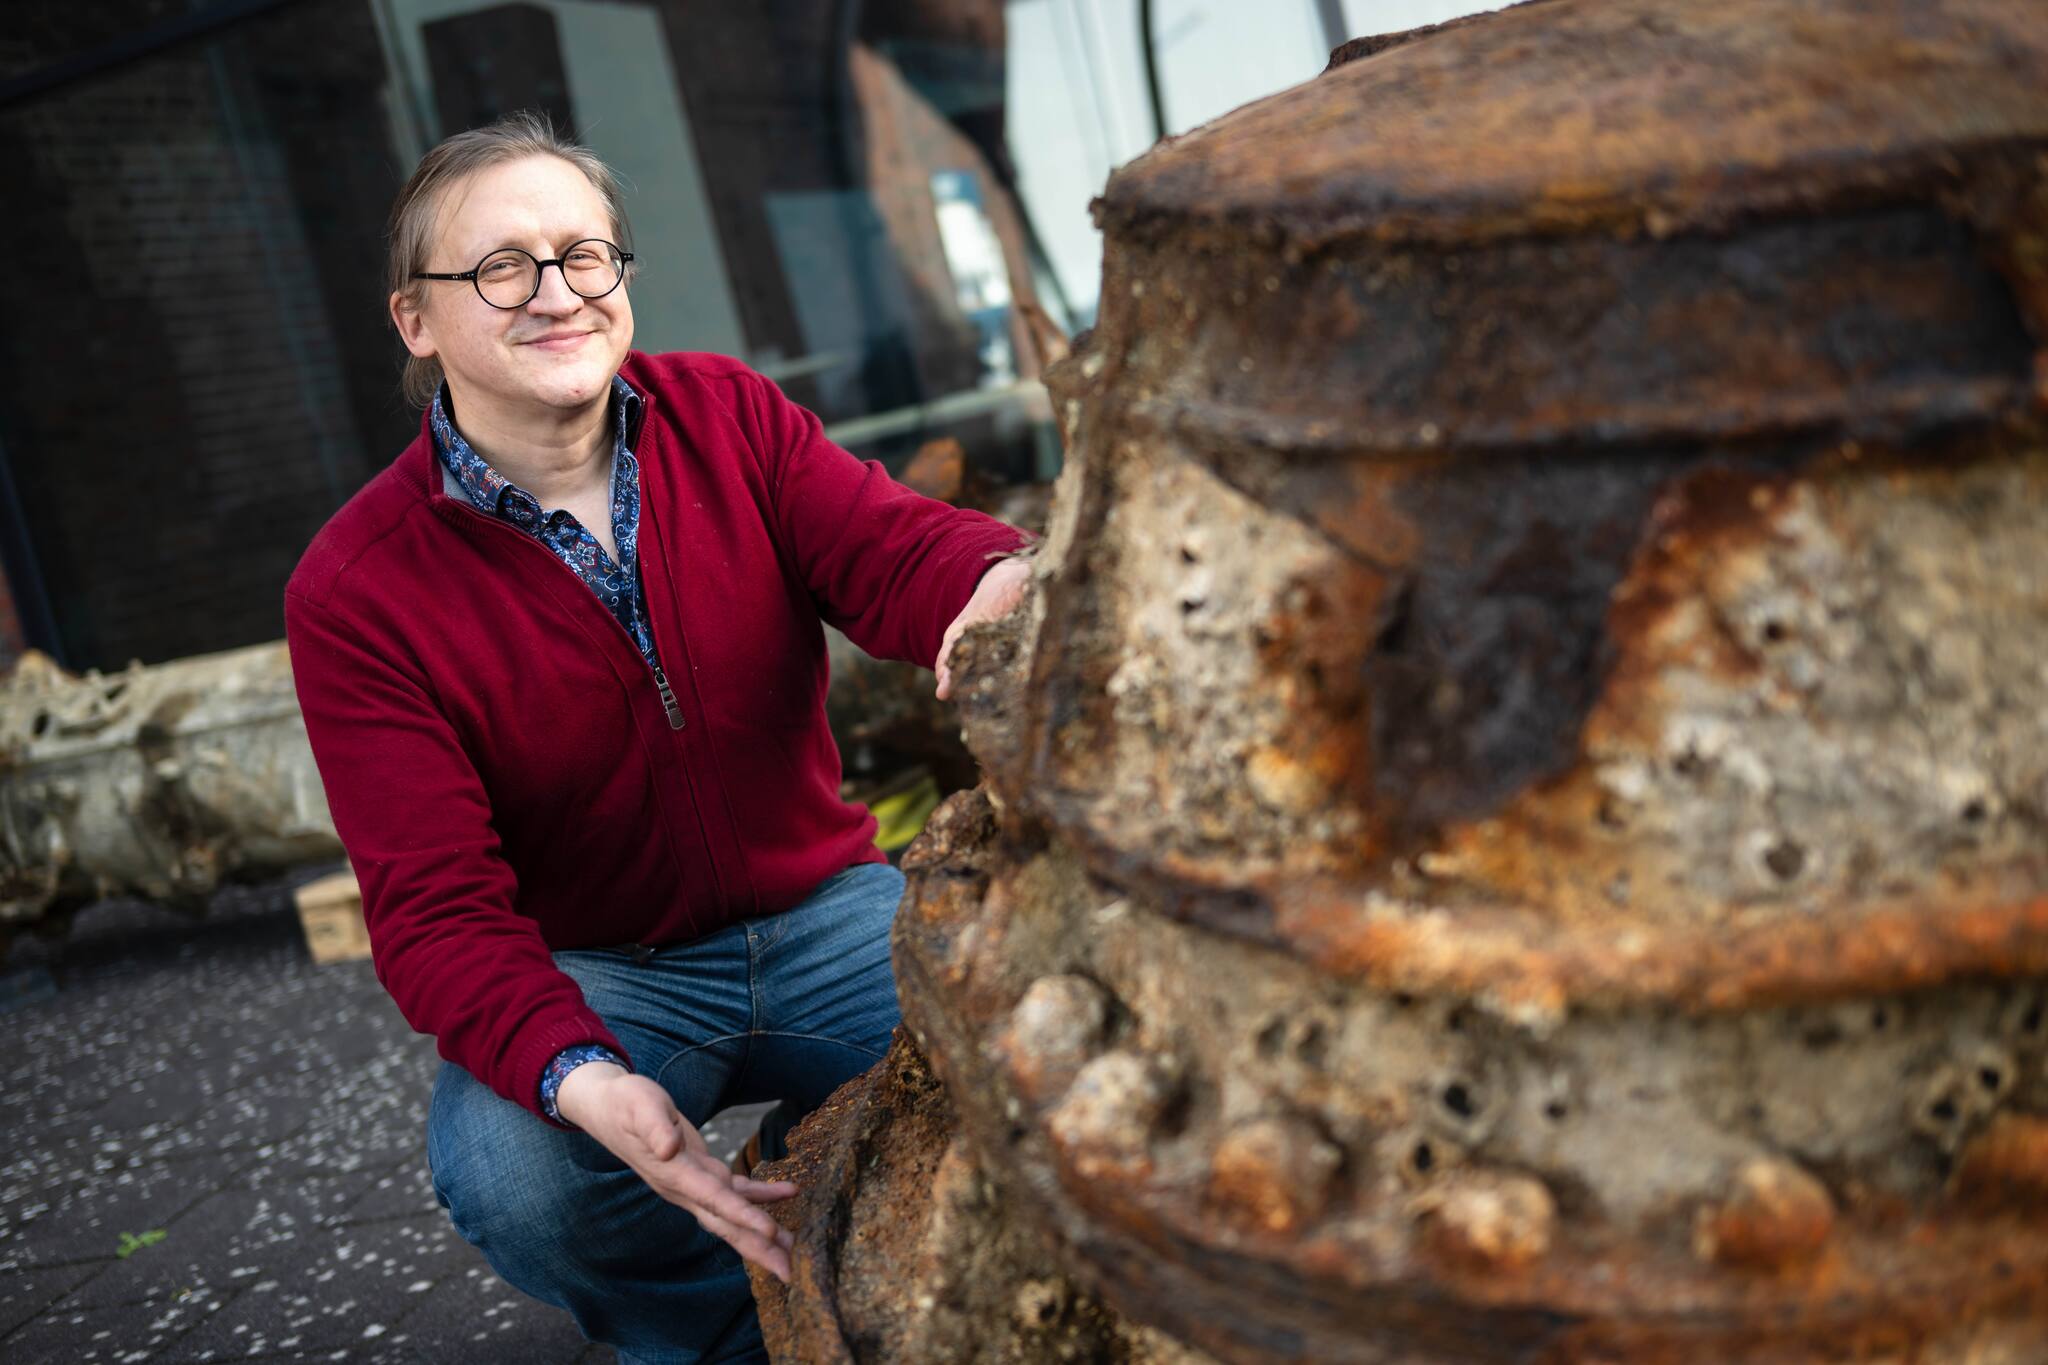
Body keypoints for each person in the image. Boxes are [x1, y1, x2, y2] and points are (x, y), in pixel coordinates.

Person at [282, 111, 1032, 1364]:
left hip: (826, 914)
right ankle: (738, 1339)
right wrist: (580, 1072)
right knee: (519, 1175)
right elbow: (433, 912)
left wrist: (995, 584)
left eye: (585, 254)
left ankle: (892, 1233)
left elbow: (896, 551)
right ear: (415, 319)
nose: (556, 295)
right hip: (607, 972)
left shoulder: (727, 417)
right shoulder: (357, 589)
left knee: (1033, 1034)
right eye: (502, 267)